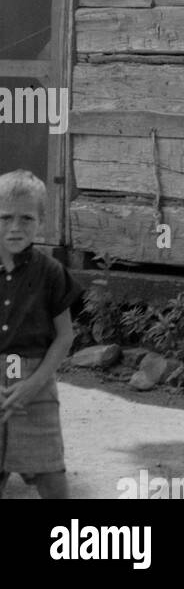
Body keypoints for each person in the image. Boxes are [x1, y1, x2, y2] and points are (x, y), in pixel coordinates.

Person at [0, 170, 80, 499]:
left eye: (27, 218)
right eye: (5, 217)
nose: (15, 227)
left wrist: (33, 385)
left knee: (51, 478)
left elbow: (65, 336)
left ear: (42, 221)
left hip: (38, 383)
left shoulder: (51, 272)